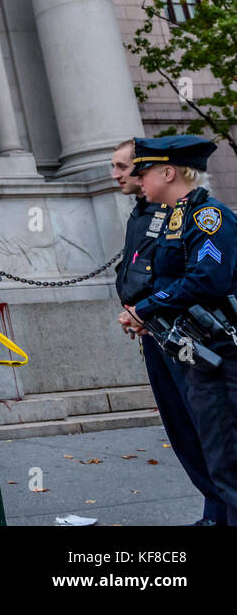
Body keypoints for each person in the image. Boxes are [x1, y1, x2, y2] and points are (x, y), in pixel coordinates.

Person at [120, 135, 237, 525]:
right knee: (215, 458)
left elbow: (207, 279)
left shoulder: (209, 216)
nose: (139, 181)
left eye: (145, 172)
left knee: (229, 460)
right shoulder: (173, 217)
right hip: (191, 352)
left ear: (169, 172)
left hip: (219, 354)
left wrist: (145, 308)